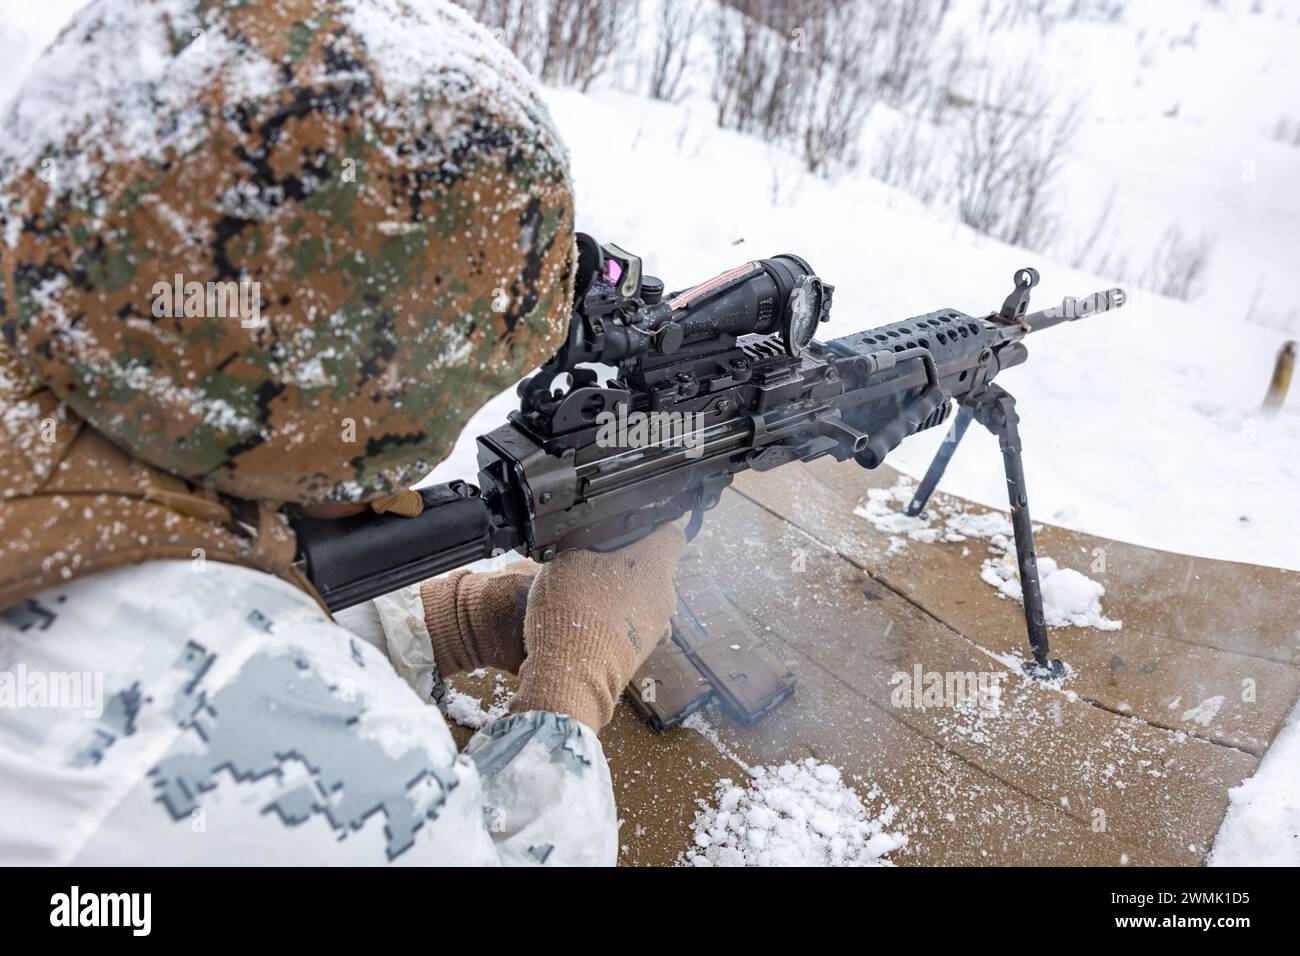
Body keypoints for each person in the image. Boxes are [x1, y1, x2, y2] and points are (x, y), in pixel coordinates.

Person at [0, 0, 684, 865]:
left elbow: (190, 559)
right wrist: (571, 682)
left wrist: (457, 621)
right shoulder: (242, 737)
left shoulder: (83, 327)